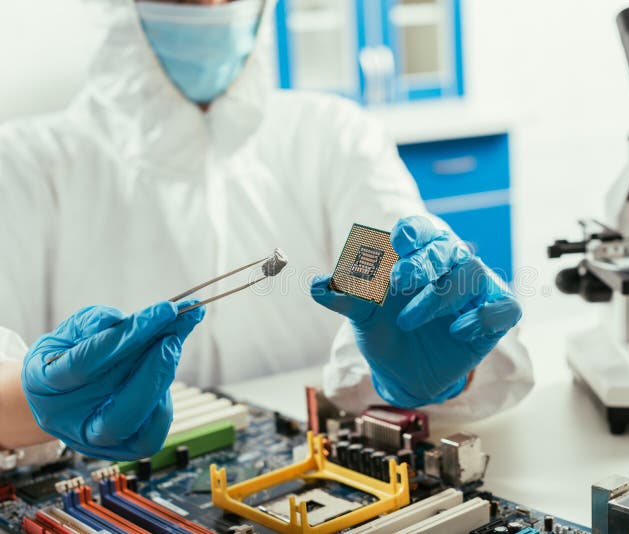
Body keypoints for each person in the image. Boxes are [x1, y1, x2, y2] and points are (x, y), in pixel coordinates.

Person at [0, 0, 532, 463]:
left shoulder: (332, 138)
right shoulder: (22, 164)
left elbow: (381, 260)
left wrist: (437, 344)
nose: (210, 8)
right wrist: (32, 398)